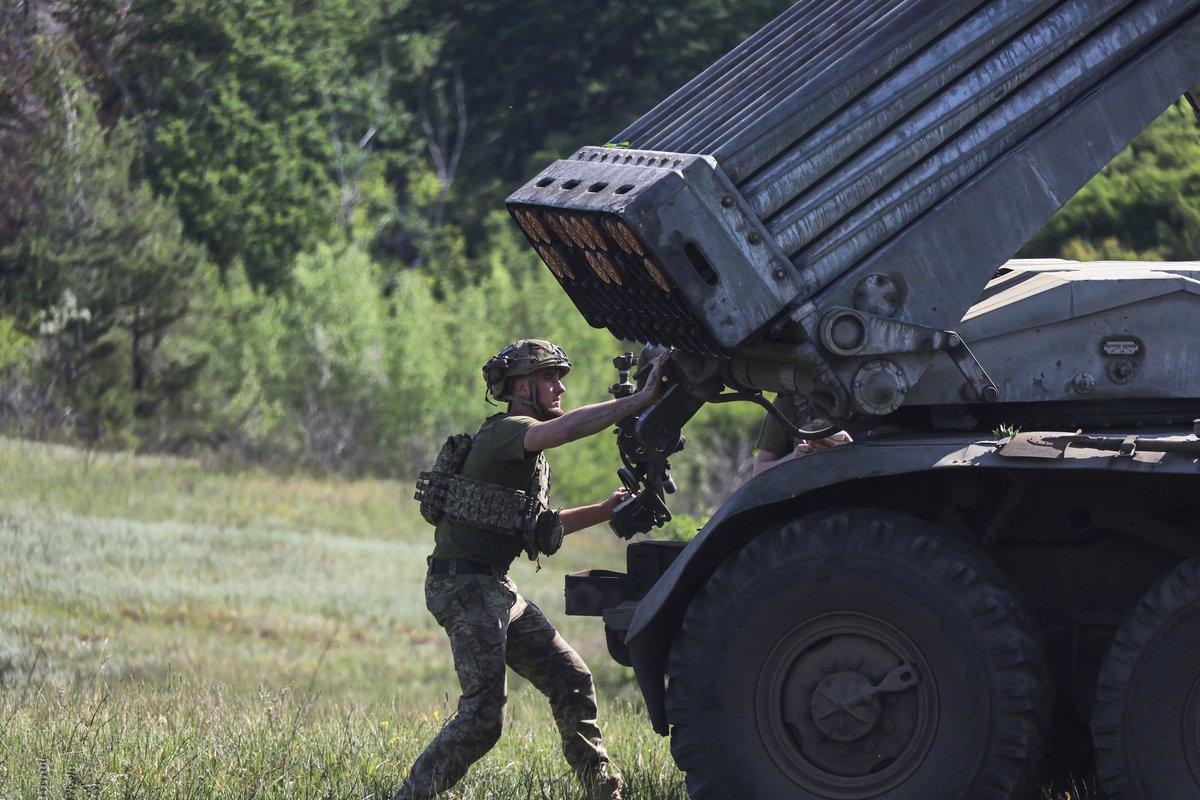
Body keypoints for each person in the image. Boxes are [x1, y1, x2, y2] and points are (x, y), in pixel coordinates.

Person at [394, 339, 669, 800]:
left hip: (493, 587)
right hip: (465, 586)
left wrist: (605, 510)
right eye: (550, 378)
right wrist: (639, 401)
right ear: (522, 387)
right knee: (483, 717)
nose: (560, 387)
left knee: (572, 679)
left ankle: (604, 791)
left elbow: (544, 528)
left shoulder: (522, 451)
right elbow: (568, 430)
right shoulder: (510, 430)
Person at [752, 393, 852, 476]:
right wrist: (793, 459)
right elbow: (759, 471)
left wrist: (850, 451)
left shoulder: (864, 397)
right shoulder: (787, 399)